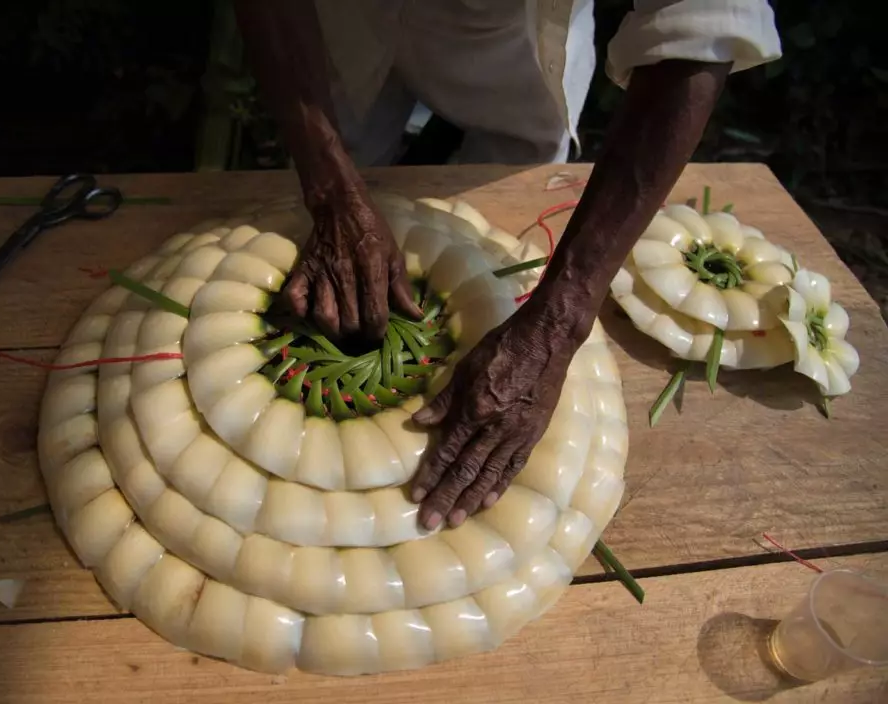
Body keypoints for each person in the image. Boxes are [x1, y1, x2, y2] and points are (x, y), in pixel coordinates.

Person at [232, 0, 781, 531]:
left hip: (507, 33)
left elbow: (698, 25)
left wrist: (560, 320)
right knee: (343, 137)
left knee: (517, 175)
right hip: (343, 15)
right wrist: (330, 188)